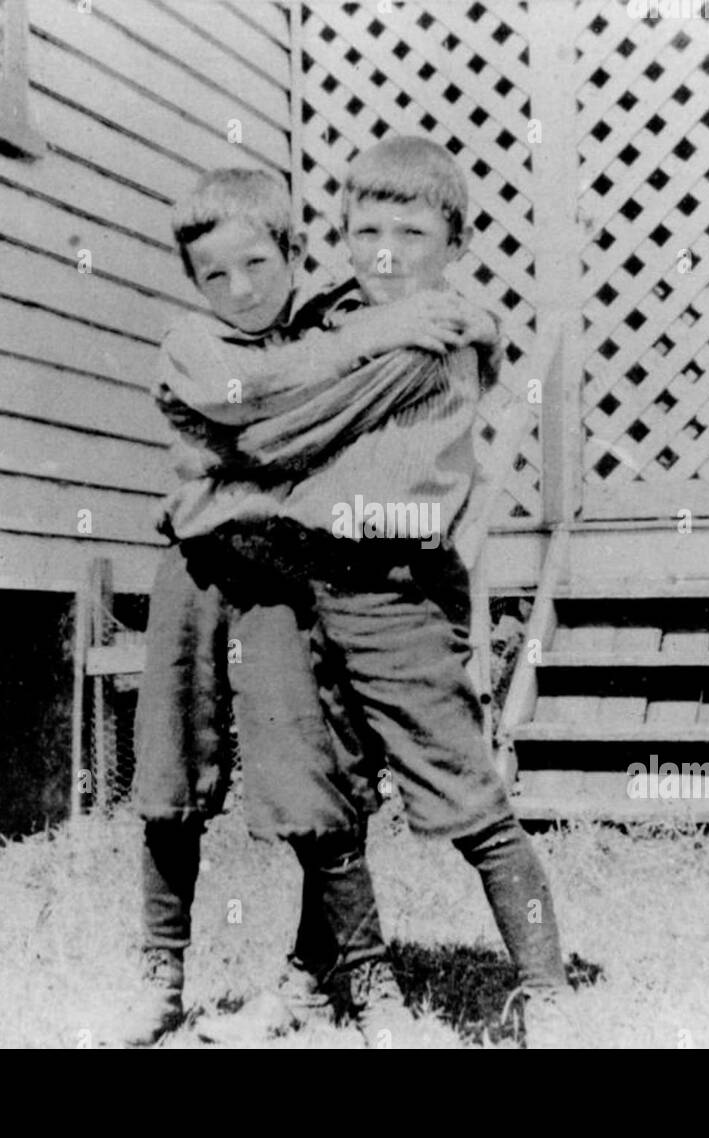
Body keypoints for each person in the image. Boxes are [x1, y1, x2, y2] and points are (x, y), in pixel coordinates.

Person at [157, 139, 576, 1047]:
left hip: (395, 595)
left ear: (454, 242)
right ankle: (316, 981)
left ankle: (548, 986)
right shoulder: (336, 321)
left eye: (411, 232)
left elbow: (276, 429)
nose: (386, 252)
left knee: (464, 793)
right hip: (314, 591)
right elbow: (266, 384)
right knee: (331, 801)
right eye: (365, 230)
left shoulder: (433, 344)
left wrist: (232, 452)